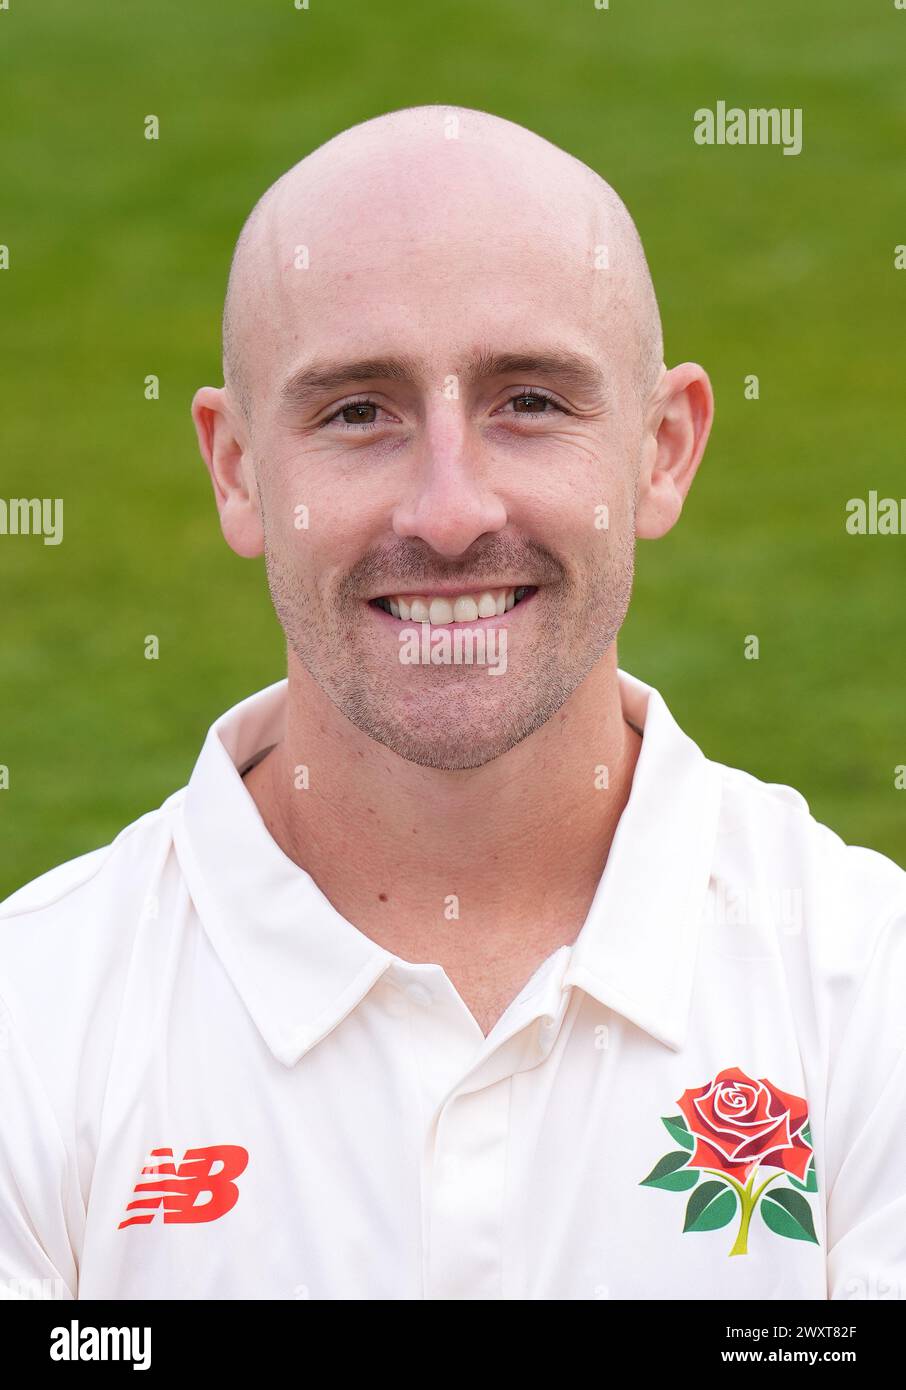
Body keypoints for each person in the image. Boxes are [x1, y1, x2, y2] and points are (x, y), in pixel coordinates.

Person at [1, 105, 903, 1301]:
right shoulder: (32, 1024)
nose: (449, 510)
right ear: (237, 472)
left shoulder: (873, 993)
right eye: (357, 411)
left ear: (662, 448)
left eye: (529, 400)